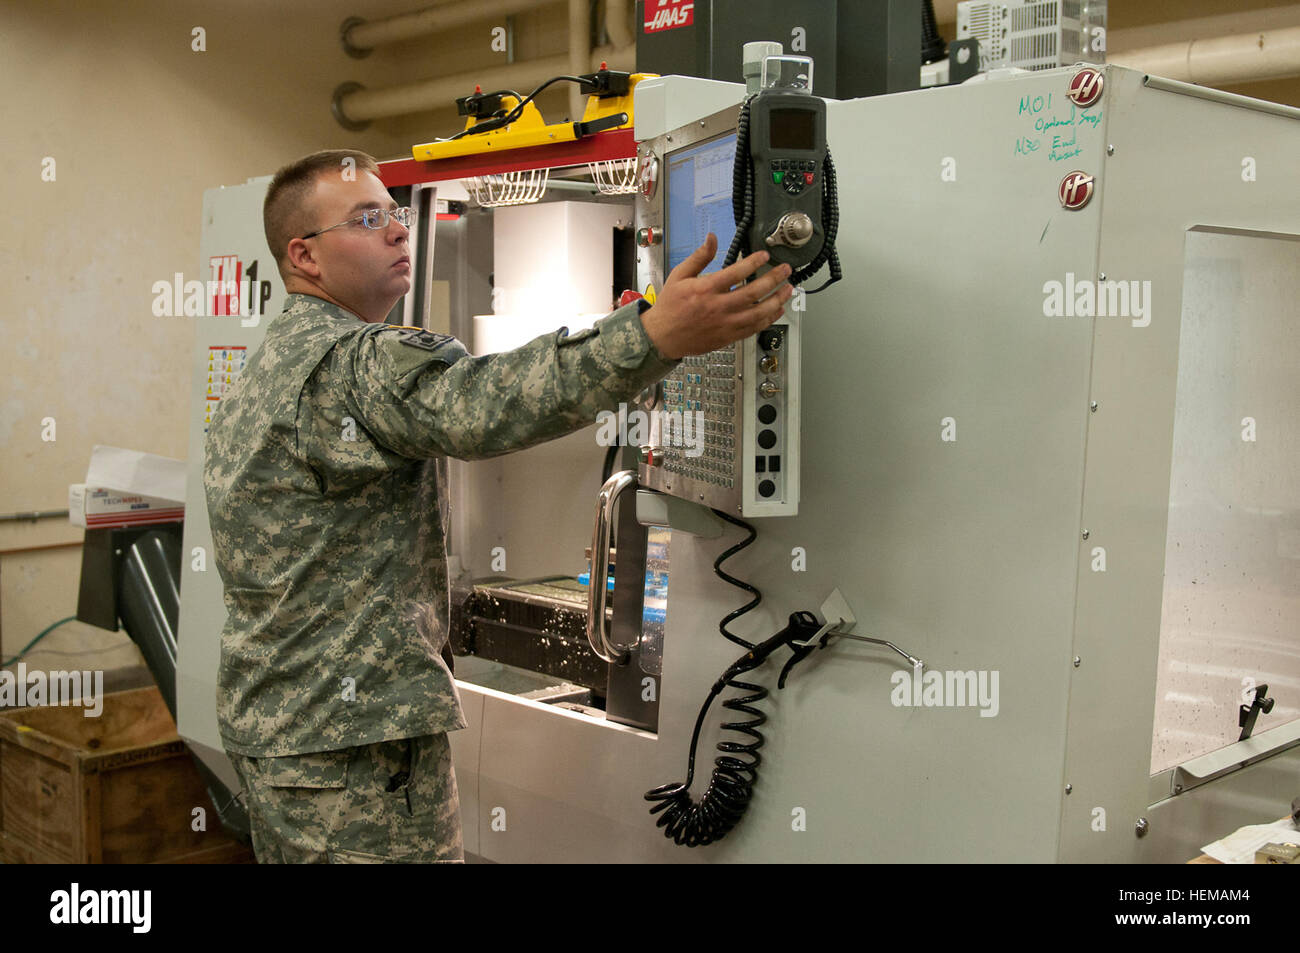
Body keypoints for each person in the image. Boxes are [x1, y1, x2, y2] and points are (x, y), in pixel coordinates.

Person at [203, 149, 792, 863]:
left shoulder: (273, 361)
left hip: (290, 731)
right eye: (367, 219)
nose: (397, 231)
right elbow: (484, 402)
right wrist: (653, 336)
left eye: (394, 212)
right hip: (354, 750)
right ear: (304, 256)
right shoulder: (348, 363)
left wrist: (632, 327)